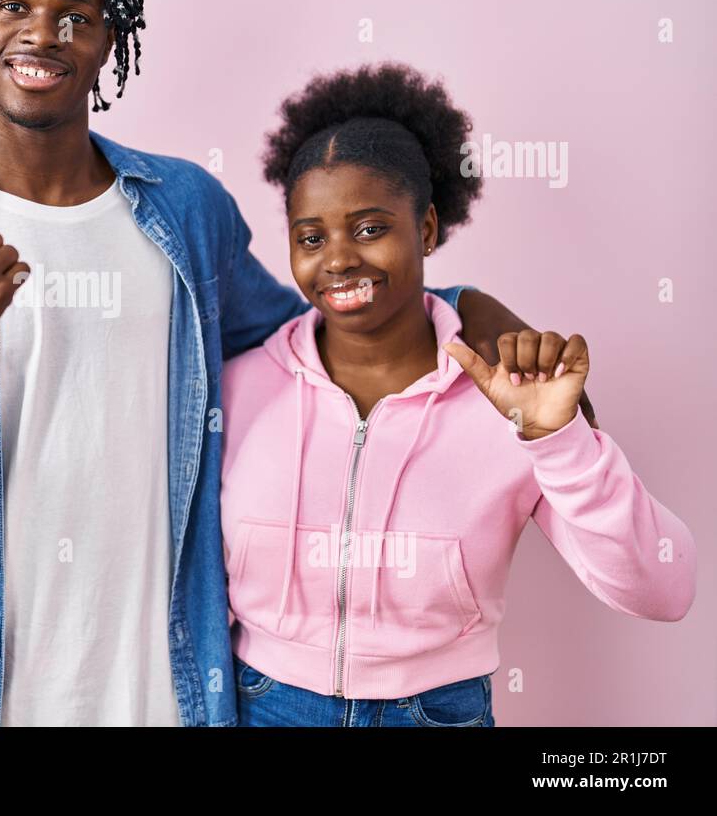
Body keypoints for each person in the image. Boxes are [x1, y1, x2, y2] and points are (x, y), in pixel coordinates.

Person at [0, 0, 540, 726]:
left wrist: (461, 307)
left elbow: (310, 335)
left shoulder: (186, 211)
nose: (40, 34)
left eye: (76, 16)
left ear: (110, 41)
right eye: (11, 6)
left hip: (169, 683)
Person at [221, 62, 696, 726]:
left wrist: (560, 442)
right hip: (260, 706)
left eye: (368, 228)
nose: (337, 260)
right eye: (311, 237)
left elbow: (663, 589)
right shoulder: (240, 387)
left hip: (438, 712)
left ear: (427, 228)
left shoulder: (508, 396)